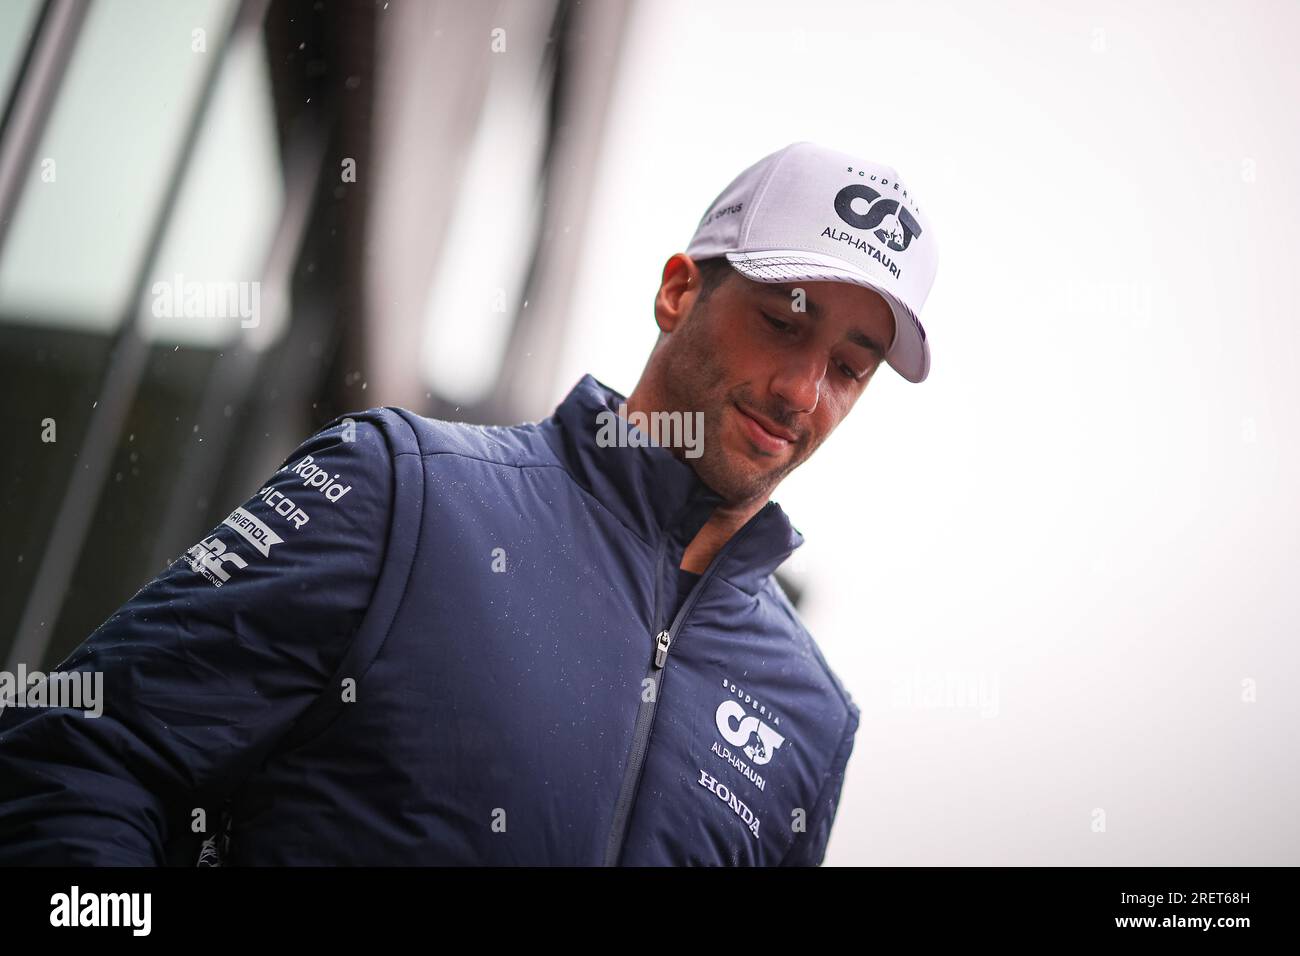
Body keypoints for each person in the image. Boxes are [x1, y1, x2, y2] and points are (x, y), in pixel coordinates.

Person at [0, 141, 939, 865]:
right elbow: (82, 760)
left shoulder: (811, 718)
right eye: (783, 324)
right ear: (677, 289)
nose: (803, 392)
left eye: (850, 369)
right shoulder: (401, 487)